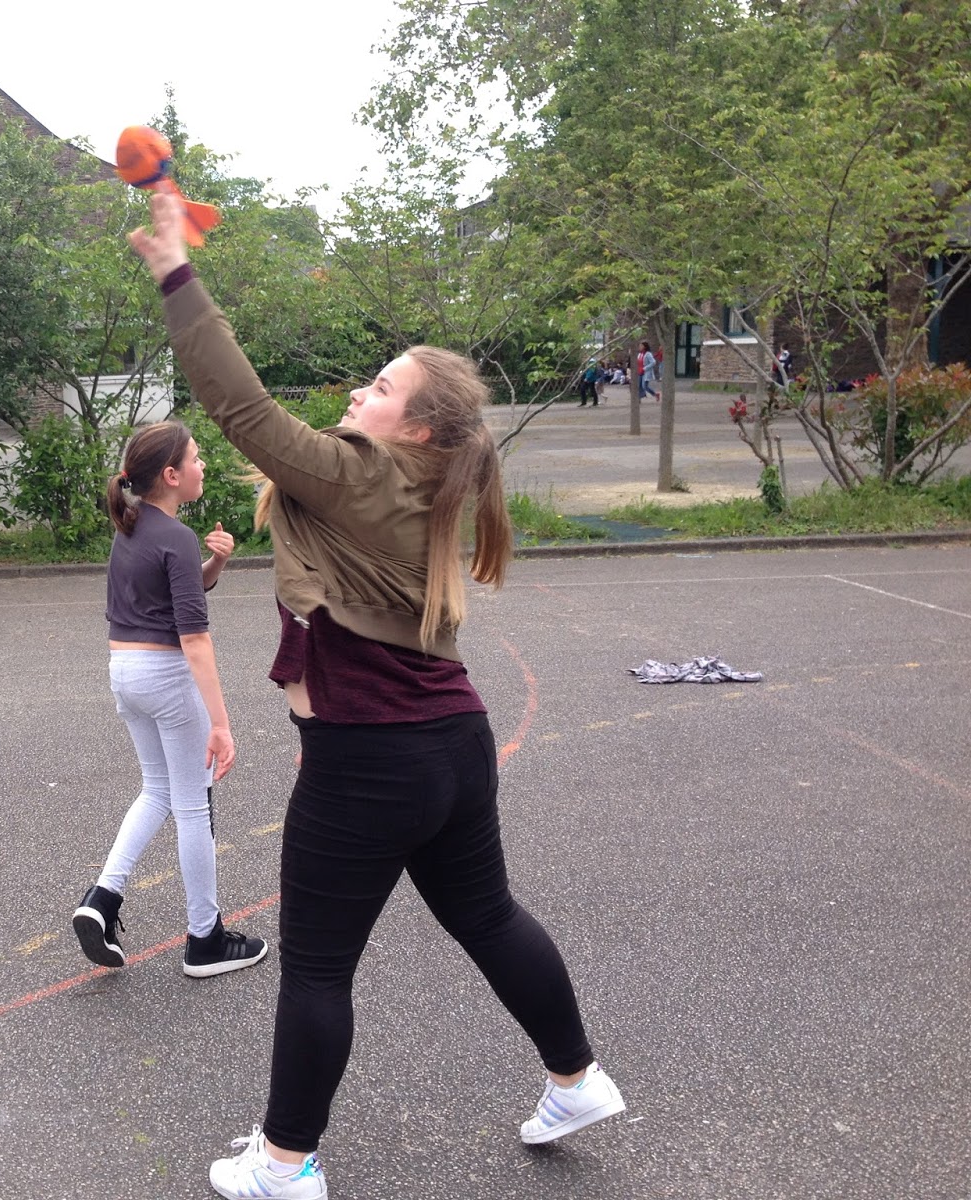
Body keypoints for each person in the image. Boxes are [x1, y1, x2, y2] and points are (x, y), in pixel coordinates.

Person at [127, 191, 625, 1200]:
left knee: (317, 966)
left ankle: (285, 1163)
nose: (362, 390)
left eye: (383, 385)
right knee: (489, 917)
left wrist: (178, 272)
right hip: (451, 744)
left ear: (419, 425)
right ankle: (577, 1081)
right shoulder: (430, 485)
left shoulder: (362, 471)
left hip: (371, 761)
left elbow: (242, 410)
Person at [71, 420, 269, 980]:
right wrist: (221, 724)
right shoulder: (175, 536)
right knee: (193, 805)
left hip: (124, 672)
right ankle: (205, 939)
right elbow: (194, 638)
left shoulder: (132, 526)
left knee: (157, 789)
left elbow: (173, 591)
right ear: (172, 475)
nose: (203, 466)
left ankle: (102, 898)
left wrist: (217, 564)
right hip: (165, 676)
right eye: (197, 458)